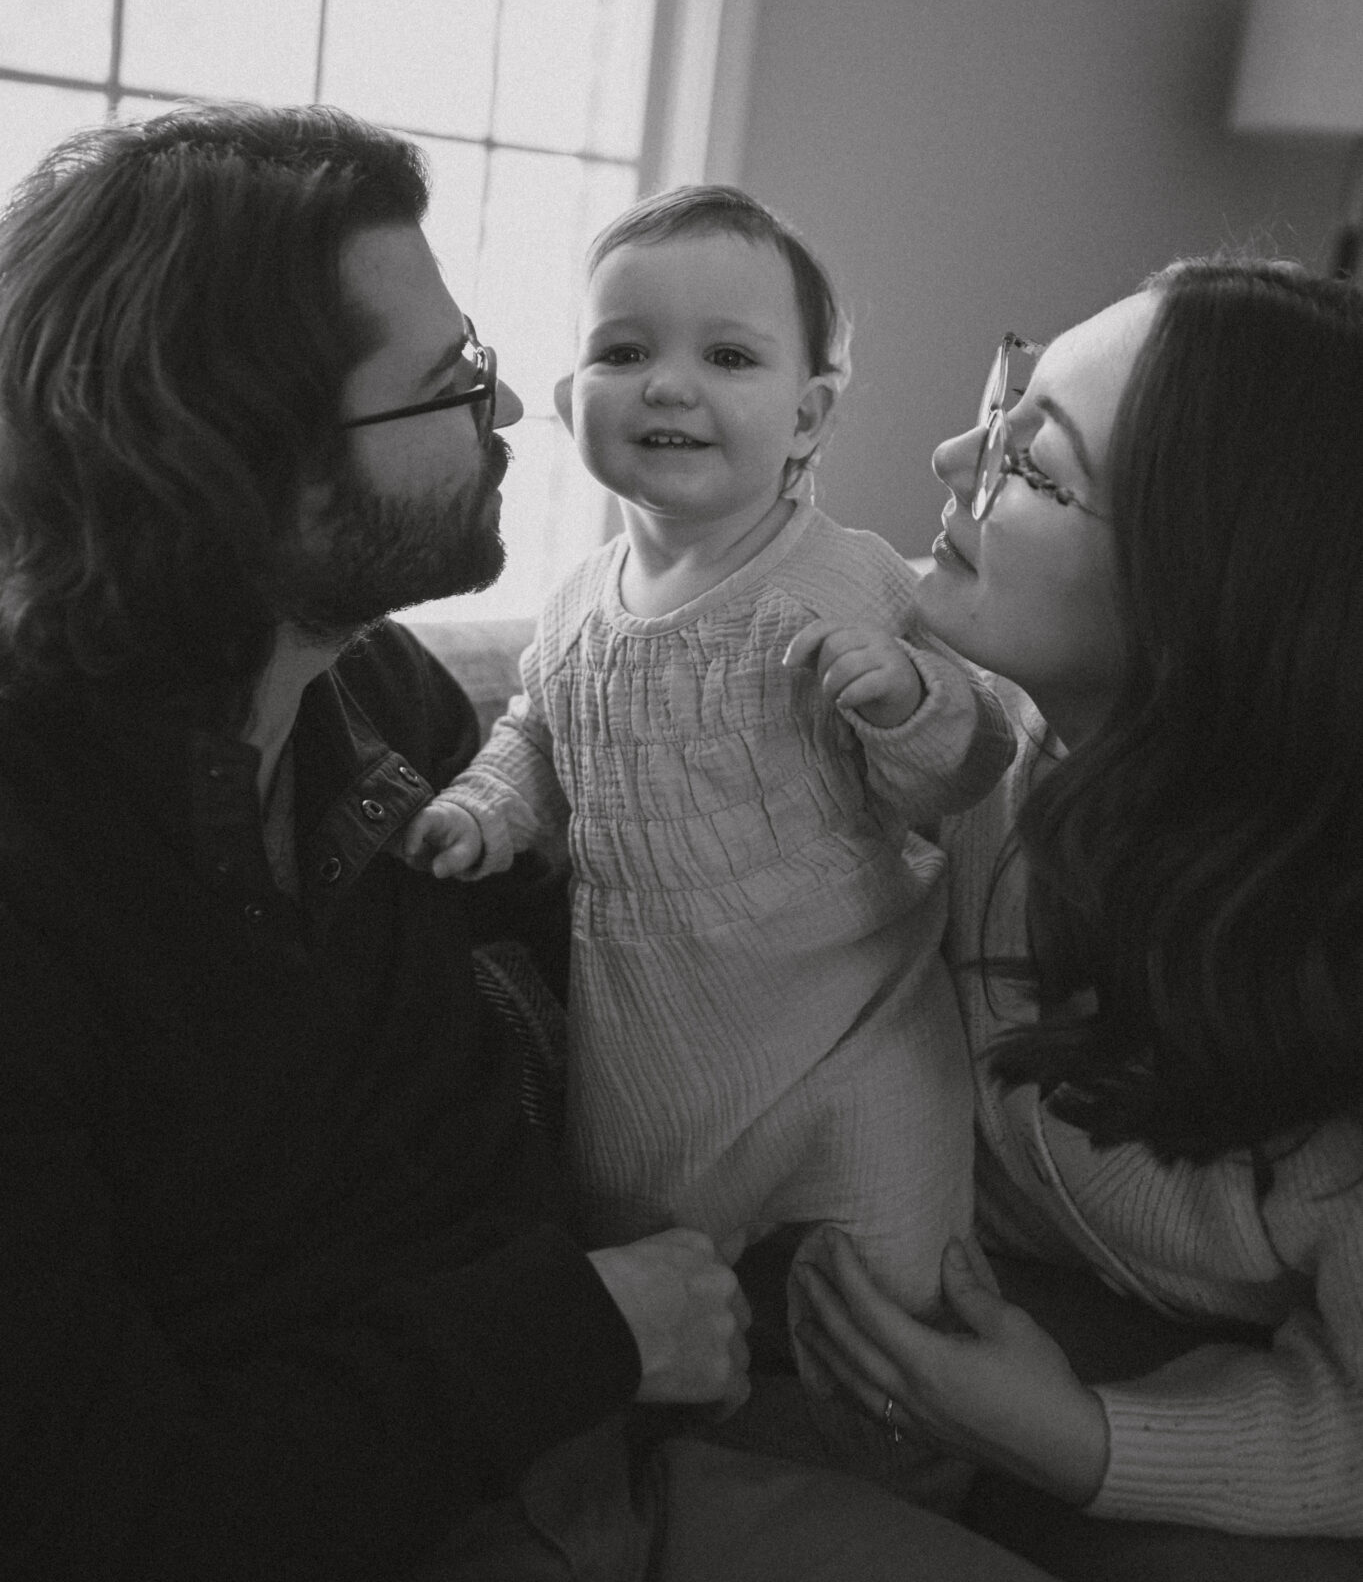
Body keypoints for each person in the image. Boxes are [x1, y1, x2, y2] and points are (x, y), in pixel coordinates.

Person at [0, 104, 1049, 1582]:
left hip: (604, 1448)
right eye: (448, 387)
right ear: (259, 469)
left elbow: (644, 905)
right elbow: (91, 1512)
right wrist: (580, 1331)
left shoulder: (369, 694)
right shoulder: (47, 884)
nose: (504, 415)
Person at [790, 258, 1363, 1579]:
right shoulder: (961, 751)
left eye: (1030, 464)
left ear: (1204, 596)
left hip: (1212, 1408)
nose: (945, 455)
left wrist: (1076, 1440)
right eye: (1005, 397)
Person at [402, 186, 1015, 1343]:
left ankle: (907, 1460)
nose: (668, 384)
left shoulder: (850, 579)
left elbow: (964, 769)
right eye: (623, 351)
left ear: (807, 415)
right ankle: (683, 1431)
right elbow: (540, 728)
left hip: (851, 1032)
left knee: (893, 1282)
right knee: (645, 1258)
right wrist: (487, 804)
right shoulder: (578, 601)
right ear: (574, 398)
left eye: (728, 355)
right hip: (650, 1037)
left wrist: (908, 701)